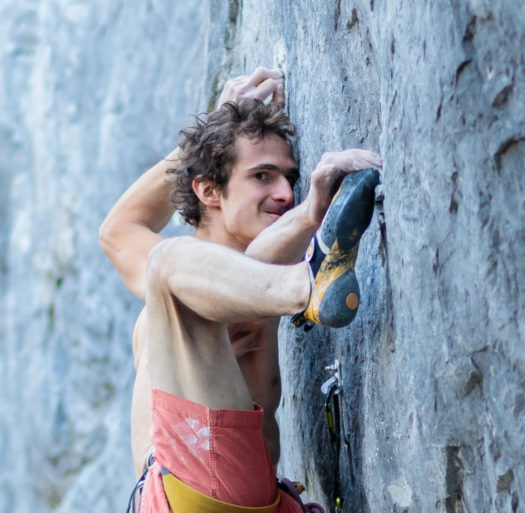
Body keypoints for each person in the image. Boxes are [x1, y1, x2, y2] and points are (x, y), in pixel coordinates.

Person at [99, 66, 381, 512]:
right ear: (209, 190)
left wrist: (314, 210)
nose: (284, 192)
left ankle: (312, 278)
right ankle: (310, 281)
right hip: (194, 483)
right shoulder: (182, 289)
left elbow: (256, 267)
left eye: (290, 178)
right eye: (262, 176)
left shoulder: (257, 275)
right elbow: (117, 232)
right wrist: (203, 141)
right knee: (166, 263)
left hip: (241, 494)